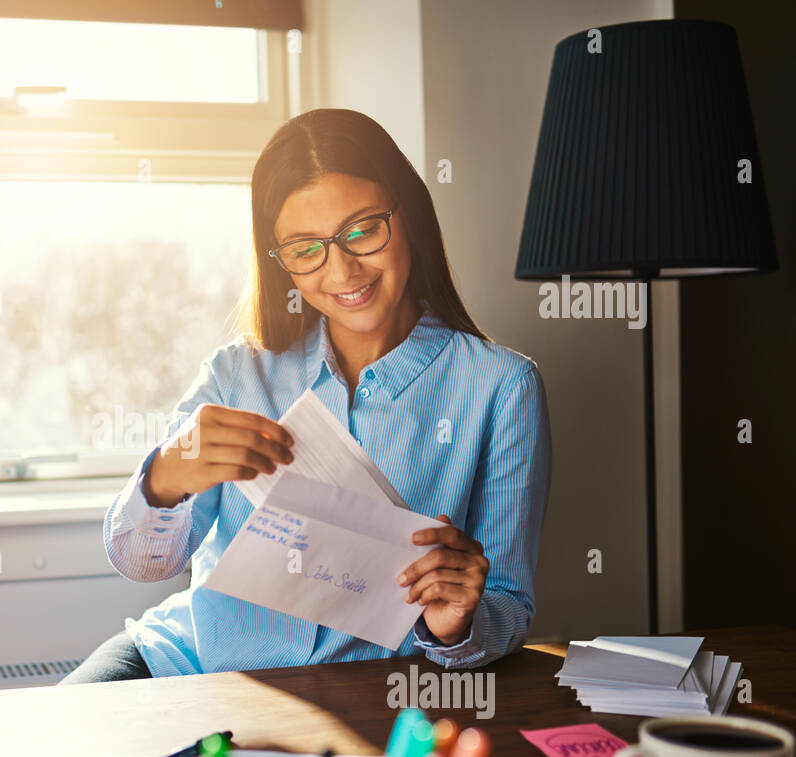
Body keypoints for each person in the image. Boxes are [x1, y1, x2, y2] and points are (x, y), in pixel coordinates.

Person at [61, 108, 552, 684]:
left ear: (409, 217)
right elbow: (143, 563)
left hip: (374, 688)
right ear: (281, 261)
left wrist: (453, 625)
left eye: (363, 230)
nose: (341, 270)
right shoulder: (237, 373)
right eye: (304, 248)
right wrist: (165, 478)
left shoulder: (501, 388)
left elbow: (508, 607)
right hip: (194, 662)